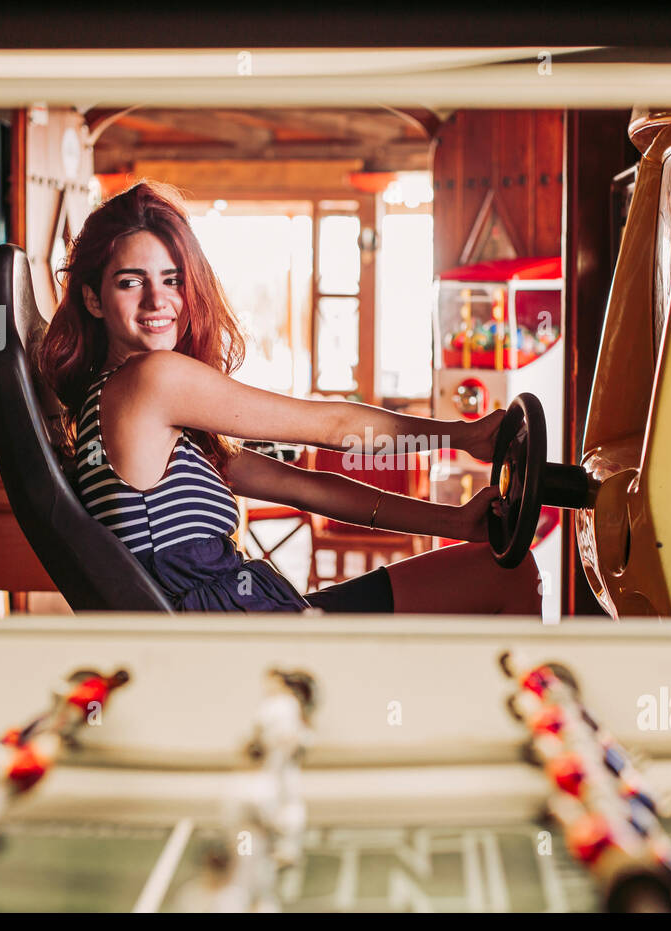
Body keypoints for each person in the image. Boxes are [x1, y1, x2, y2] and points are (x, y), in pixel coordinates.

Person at [34, 180, 541, 616]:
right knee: (507, 575)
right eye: (131, 282)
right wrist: (463, 435)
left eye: (173, 280)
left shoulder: (129, 409)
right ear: (93, 298)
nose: (157, 300)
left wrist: (452, 521)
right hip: (238, 644)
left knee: (495, 568)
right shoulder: (151, 381)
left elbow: (307, 488)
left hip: (247, 622)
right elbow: (332, 427)